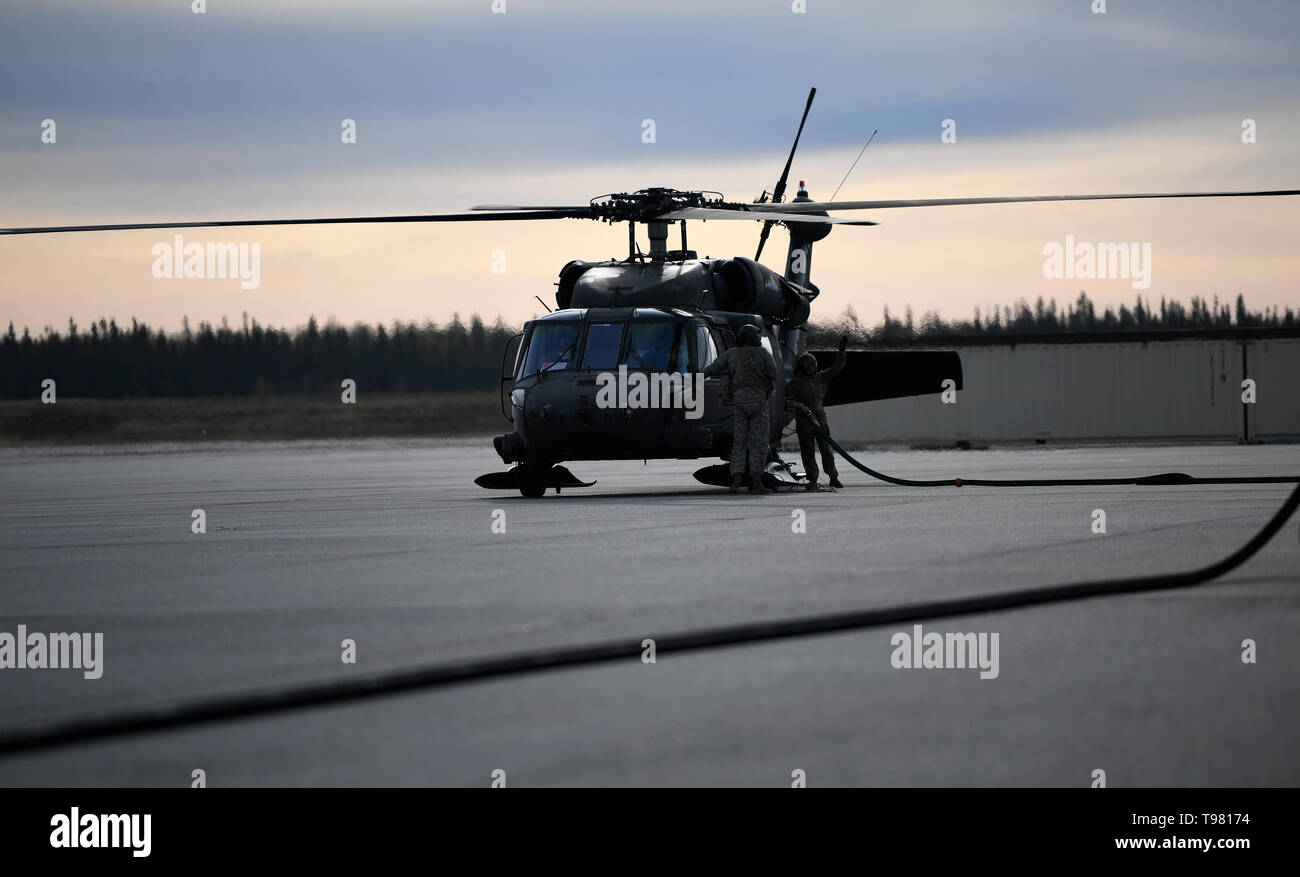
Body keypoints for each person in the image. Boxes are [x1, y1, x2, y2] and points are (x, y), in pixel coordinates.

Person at [704, 323, 780, 494]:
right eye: (756, 334)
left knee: (738, 443)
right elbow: (774, 373)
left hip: (739, 404)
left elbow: (713, 368)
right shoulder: (763, 353)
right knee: (758, 444)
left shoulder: (731, 354)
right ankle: (756, 482)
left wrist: (695, 372)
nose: (759, 337)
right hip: (759, 404)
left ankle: (736, 482)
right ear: (750, 337)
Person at [787, 334, 848, 490]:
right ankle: (812, 479)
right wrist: (799, 406)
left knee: (827, 450)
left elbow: (837, 368)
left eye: (815, 363)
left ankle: (833, 477)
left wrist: (841, 351)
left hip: (820, 420)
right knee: (808, 453)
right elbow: (787, 402)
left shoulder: (821, 378)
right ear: (806, 366)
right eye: (812, 364)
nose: (815, 366)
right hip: (804, 422)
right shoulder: (795, 383)